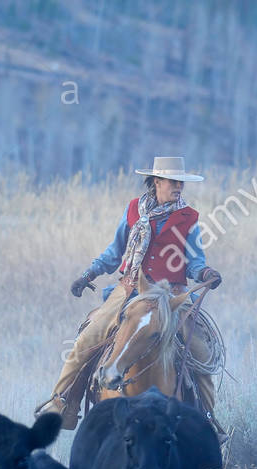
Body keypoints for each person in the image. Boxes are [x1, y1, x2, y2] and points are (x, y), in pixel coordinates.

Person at [35, 156, 223, 422]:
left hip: (170, 297)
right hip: (130, 289)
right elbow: (115, 252)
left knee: (201, 353)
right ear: (157, 181)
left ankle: (208, 418)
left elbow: (195, 261)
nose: (178, 187)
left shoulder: (188, 218)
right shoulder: (134, 210)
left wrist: (205, 273)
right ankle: (62, 402)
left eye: (180, 182)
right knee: (86, 341)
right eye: (172, 181)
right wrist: (89, 273)